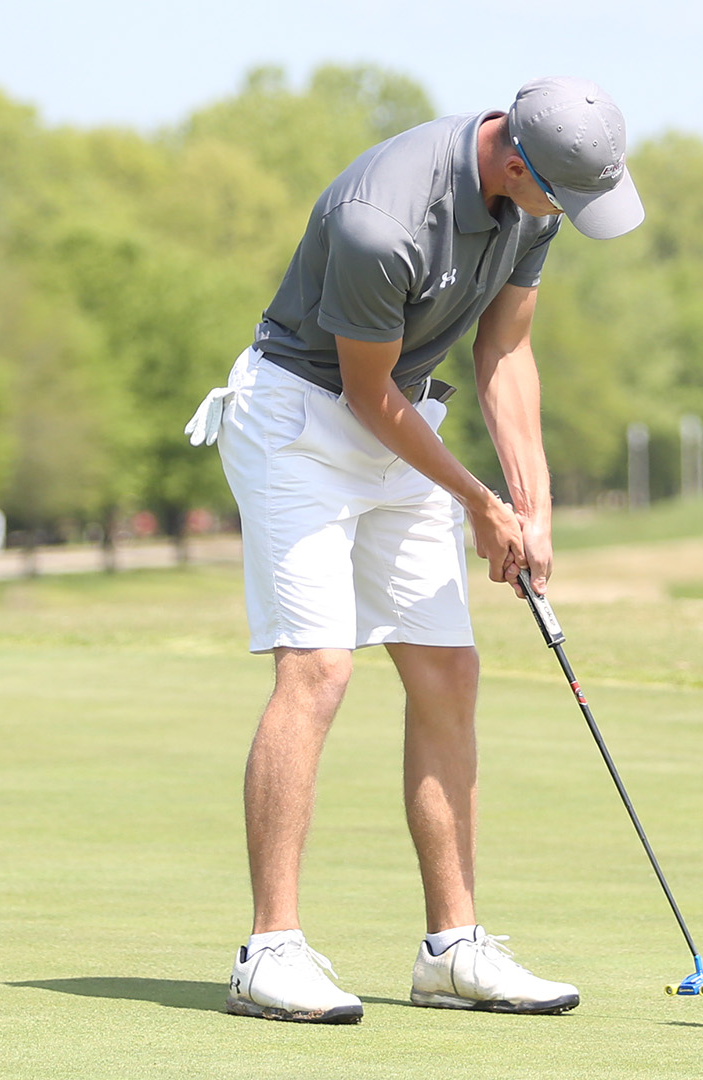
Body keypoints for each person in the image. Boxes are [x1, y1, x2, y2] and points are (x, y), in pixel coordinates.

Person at [183, 77, 643, 1023]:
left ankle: (453, 950)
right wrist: (477, 500)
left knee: (447, 673)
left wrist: (532, 503)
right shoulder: (380, 221)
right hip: (302, 423)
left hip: (404, 421)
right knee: (318, 670)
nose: (570, 211)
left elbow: (505, 351)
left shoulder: (535, 201)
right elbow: (364, 391)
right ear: (515, 159)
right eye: (564, 194)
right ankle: (270, 951)